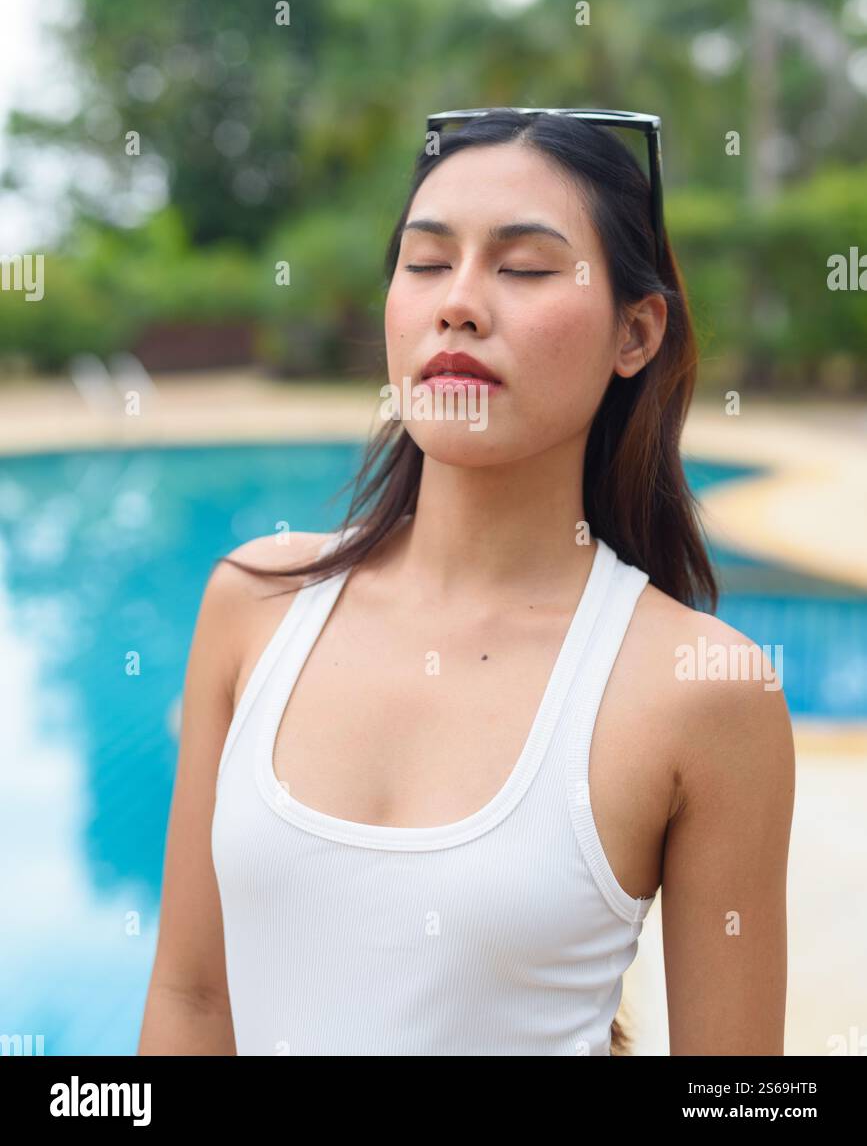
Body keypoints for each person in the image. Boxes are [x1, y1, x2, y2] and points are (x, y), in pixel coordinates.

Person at [138, 108, 794, 1056]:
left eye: (524, 268)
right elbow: (194, 1000)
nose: (460, 302)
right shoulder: (254, 604)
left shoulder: (698, 690)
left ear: (636, 332)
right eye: (426, 261)